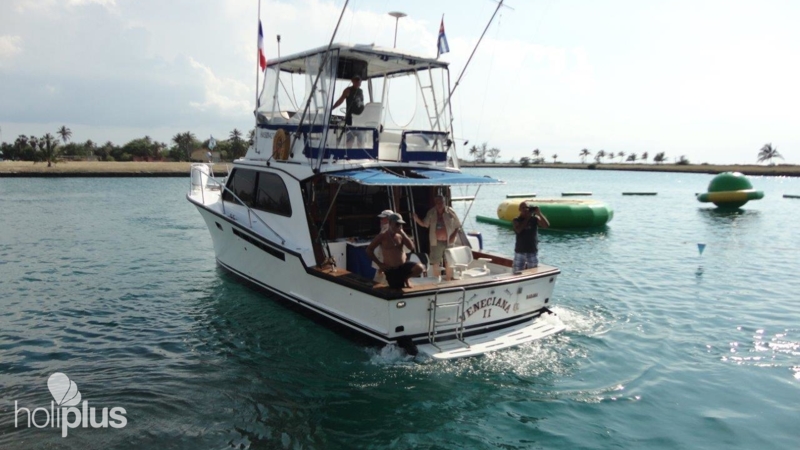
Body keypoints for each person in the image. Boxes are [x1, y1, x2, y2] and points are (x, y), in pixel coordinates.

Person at [367, 213, 424, 289]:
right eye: (397, 224)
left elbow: (411, 247)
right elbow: (369, 250)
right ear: (390, 223)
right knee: (397, 288)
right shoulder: (383, 236)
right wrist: (380, 264)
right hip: (391, 268)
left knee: (420, 268)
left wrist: (403, 233)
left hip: (403, 266)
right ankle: (399, 280)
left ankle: (406, 278)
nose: (399, 226)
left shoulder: (401, 235)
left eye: (400, 224)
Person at [413, 195, 461, 280]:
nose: (439, 204)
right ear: (435, 203)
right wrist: (417, 219)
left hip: (449, 242)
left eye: (441, 202)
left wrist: (453, 236)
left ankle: (449, 280)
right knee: (436, 262)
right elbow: (425, 224)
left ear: (444, 202)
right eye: (437, 202)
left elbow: (458, 225)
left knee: (449, 261)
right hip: (436, 242)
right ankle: (437, 280)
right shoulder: (431, 212)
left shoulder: (451, 212)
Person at [512, 202, 550, 272]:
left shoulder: (534, 219)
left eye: (527, 208)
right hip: (520, 251)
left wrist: (539, 213)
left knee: (533, 272)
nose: (525, 209)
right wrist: (527, 218)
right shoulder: (516, 220)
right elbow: (518, 230)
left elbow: (546, 226)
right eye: (523, 208)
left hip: (532, 251)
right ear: (519, 209)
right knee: (516, 272)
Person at [332, 75, 365, 147]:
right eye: (356, 80)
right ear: (352, 81)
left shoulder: (361, 91)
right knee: (350, 139)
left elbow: (362, 104)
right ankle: (348, 156)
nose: (358, 82)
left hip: (360, 120)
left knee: (361, 140)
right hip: (350, 119)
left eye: (359, 80)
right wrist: (332, 108)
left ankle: (360, 155)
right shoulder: (348, 90)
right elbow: (340, 100)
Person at [372, 209, 395, 283]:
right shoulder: (383, 229)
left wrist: (381, 267)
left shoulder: (390, 231)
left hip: (386, 266)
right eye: (381, 218)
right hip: (381, 265)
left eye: (383, 218)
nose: (381, 220)